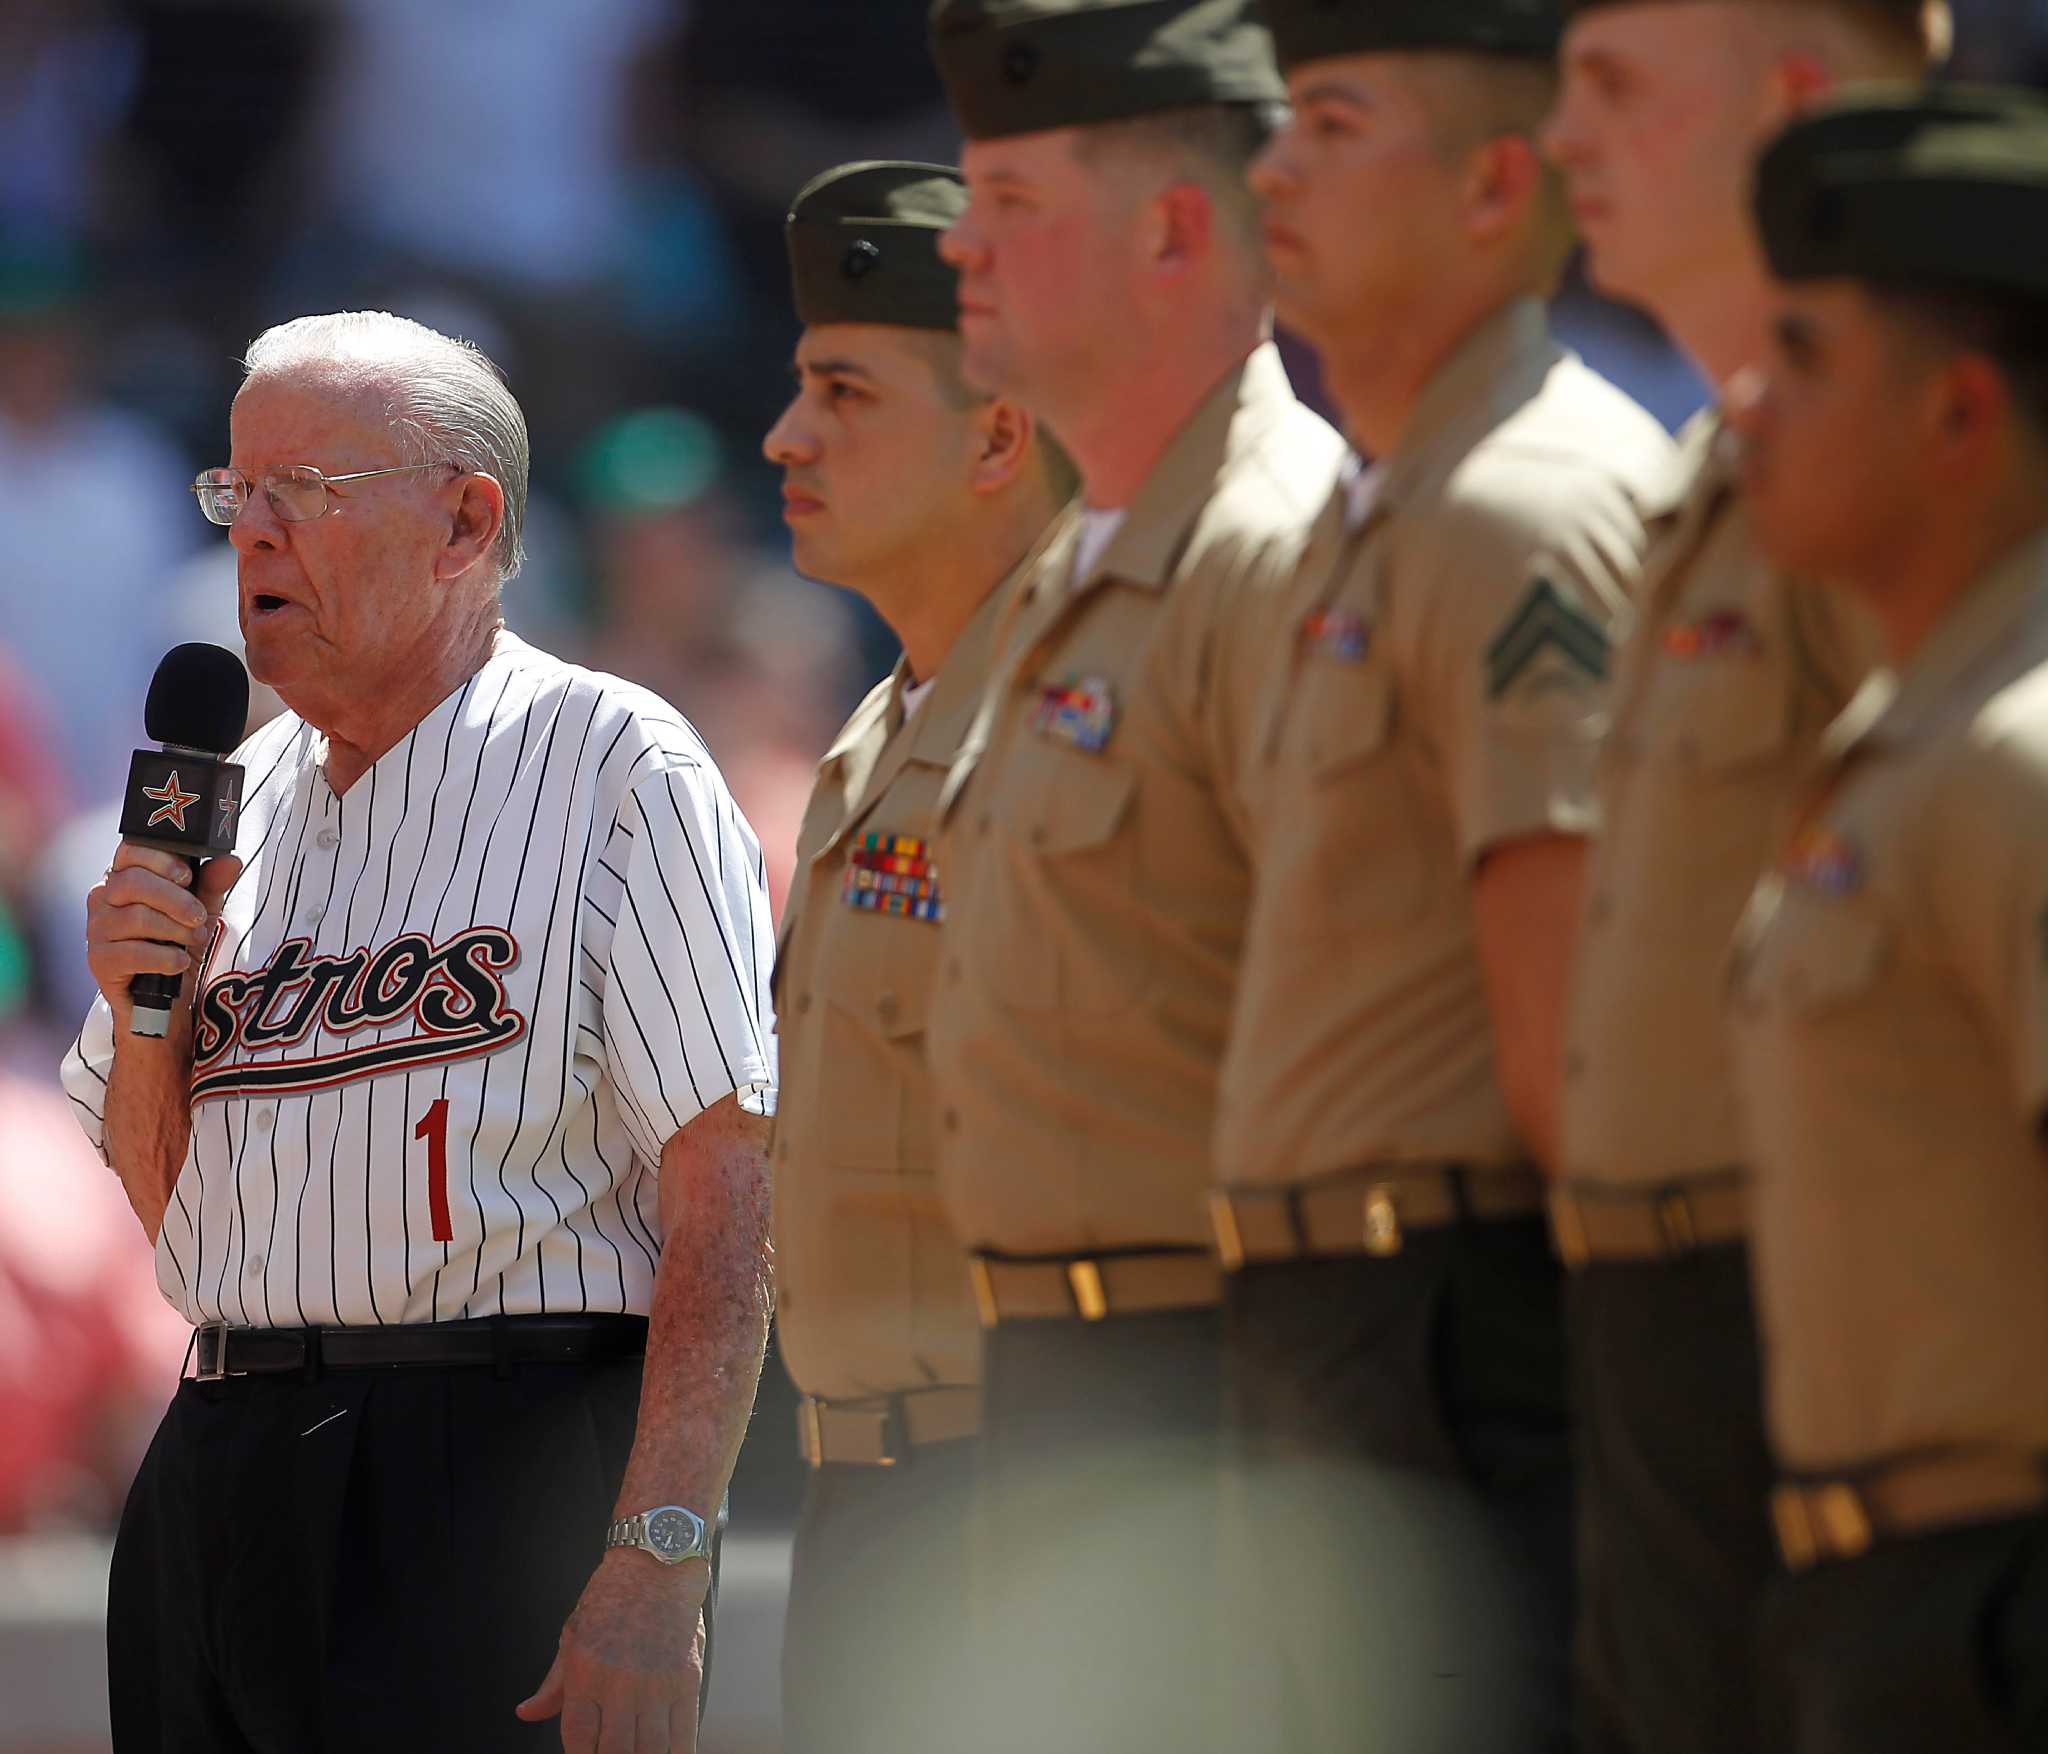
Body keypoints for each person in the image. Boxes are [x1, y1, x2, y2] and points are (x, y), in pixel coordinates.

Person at [60, 310, 778, 1754]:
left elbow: (728, 1196)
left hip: (494, 1458)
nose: (254, 533)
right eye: (234, 492)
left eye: (304, 491)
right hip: (219, 1459)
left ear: (465, 520)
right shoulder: (230, 797)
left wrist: (660, 1551)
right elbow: (175, 1214)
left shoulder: (616, 765)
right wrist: (152, 1006)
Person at [1209, 3, 1674, 1747]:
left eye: (1334, 121)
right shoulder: (1389, 504)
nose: (1275, 166)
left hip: (1455, 1331)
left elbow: (1570, 1056)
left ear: (1494, 182)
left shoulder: (1522, 504)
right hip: (1349, 1323)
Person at [920, 1, 1345, 1746]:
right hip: (1055, 1379)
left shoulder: (1272, 546)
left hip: (1213, 1391)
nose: (960, 241)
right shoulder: (1087, 559)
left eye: (1011, 198)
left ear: (1174, 227)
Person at [1539, 6, 1946, 1749]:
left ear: (1795, 103)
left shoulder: (1903, 472)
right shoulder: (1721, 465)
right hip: (1663, 1330)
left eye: (1617, 86)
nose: (1565, 139)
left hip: (1813, 1332)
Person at [1724, 85, 2048, 1752]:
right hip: (1876, 1595)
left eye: (1804, 359)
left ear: (1960, 412)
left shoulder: (2019, 756)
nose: (1742, 405)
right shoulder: (1915, 731)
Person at [761, 158, 1070, 1754]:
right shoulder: (884, 729)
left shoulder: (1085, 713)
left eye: (843, 392)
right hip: (867, 1503)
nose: (785, 436)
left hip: (1029, 1503)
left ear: (1000, 434)